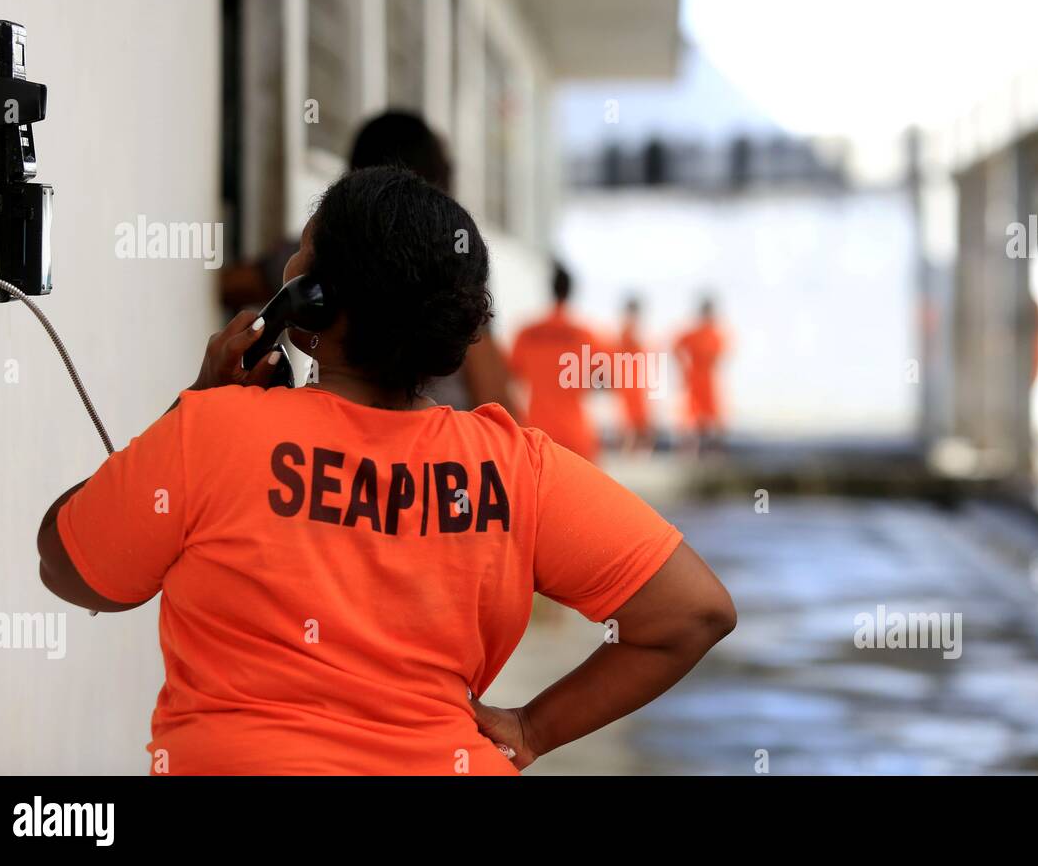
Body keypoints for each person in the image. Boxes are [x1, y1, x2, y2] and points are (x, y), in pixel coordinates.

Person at [36, 167, 735, 775]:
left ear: (315, 301)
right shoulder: (517, 468)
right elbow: (693, 612)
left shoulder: (212, 432)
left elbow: (69, 567)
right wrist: (533, 729)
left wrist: (190, 406)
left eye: (304, 254)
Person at [221, 109, 516, 415]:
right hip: (446, 443)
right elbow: (493, 389)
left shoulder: (326, 248)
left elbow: (227, 285)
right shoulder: (453, 263)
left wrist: (213, 388)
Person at [508, 262, 607, 463]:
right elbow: (604, 379)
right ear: (571, 291)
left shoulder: (527, 333)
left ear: (550, 288)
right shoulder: (585, 335)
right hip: (576, 435)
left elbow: (510, 376)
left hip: (536, 433)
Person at [674, 296, 727, 453]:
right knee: (692, 419)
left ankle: (714, 453)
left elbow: (719, 355)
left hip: (709, 382)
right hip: (695, 379)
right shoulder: (693, 333)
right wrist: (684, 367)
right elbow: (676, 346)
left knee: (714, 418)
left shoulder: (716, 334)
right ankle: (689, 452)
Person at [617, 296, 654, 452]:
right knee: (635, 419)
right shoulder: (628, 332)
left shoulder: (629, 331)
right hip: (630, 381)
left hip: (634, 380)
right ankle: (634, 450)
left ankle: (635, 449)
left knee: (637, 418)